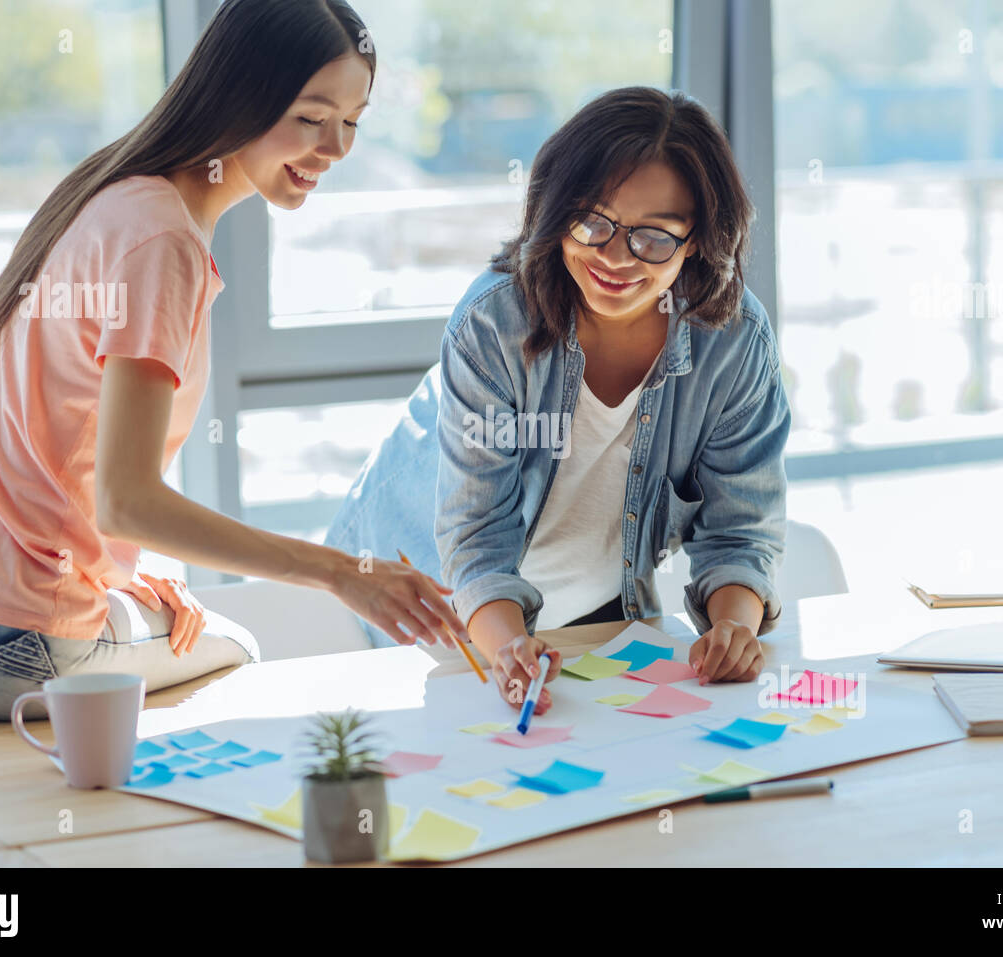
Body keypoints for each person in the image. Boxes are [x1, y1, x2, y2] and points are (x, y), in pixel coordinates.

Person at [0, 0, 467, 722]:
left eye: (352, 122)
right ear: (240, 92)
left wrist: (116, 581)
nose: (336, 148)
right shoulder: (163, 243)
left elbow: (64, 463)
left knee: (175, 618)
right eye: (311, 119)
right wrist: (344, 574)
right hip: (3, 638)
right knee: (236, 647)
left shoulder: (116, 193)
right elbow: (127, 500)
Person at [325, 86, 792, 716]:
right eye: (591, 221)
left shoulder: (731, 338)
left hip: (597, 615)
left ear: (700, 241)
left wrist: (732, 628)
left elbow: (740, 525)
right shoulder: (495, 324)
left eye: (652, 238)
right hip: (436, 608)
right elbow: (477, 538)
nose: (613, 258)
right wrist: (510, 648)